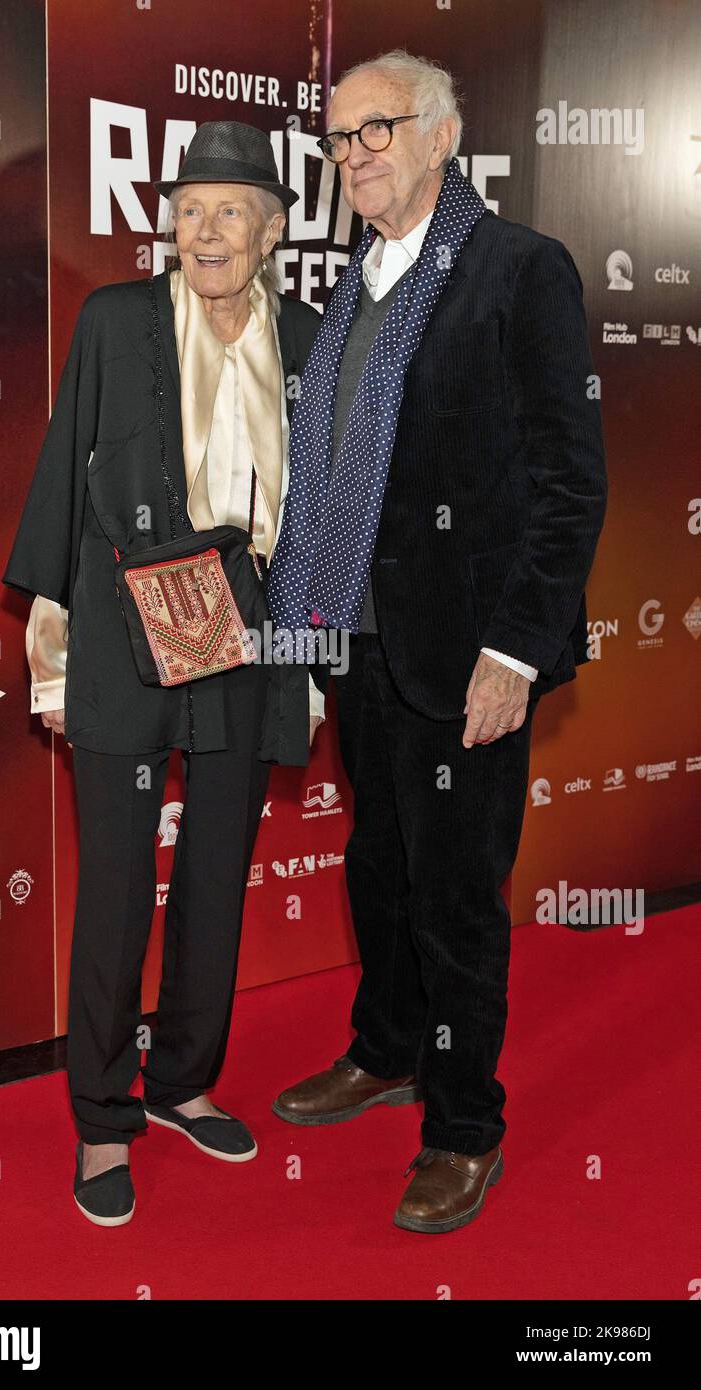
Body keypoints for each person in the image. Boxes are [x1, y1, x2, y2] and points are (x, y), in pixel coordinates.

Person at [267, 51, 607, 1234]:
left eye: (376, 128)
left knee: (456, 896)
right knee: (378, 867)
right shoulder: (354, 286)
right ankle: (389, 1047)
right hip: (355, 638)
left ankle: (462, 1127)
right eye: (338, 138)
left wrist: (515, 651)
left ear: (442, 134)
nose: (355, 152)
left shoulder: (519, 270)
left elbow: (570, 481)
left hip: (466, 656)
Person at [2, 122, 324, 1226]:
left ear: (273, 229)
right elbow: (61, 485)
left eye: (229, 210)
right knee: (116, 889)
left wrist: (307, 660)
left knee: (215, 877)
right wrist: (54, 665)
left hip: (251, 634)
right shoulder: (117, 321)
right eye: (188, 210)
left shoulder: (312, 340)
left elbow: (321, 525)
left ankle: (181, 1077)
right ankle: (100, 1117)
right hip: (129, 631)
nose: (205, 231)